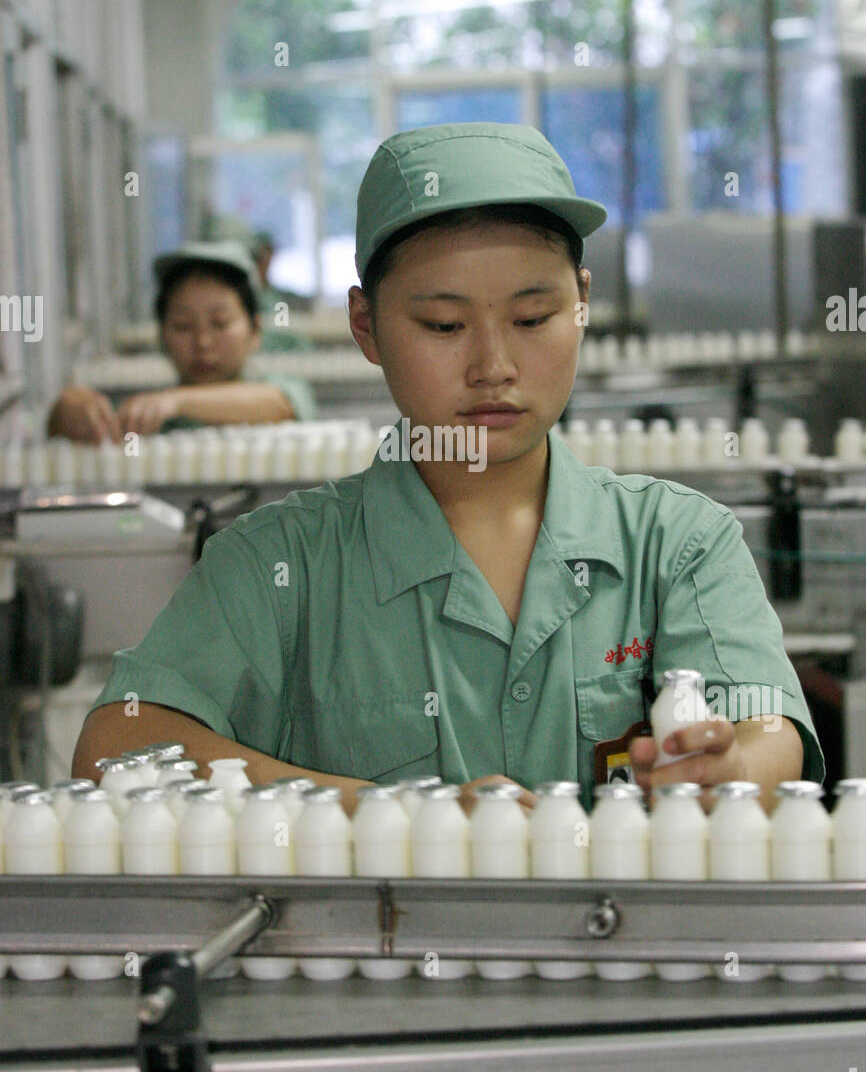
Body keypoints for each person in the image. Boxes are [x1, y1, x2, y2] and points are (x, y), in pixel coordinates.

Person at [74, 123, 823, 817]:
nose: (493, 366)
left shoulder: (677, 541)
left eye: (532, 319)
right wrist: (386, 810)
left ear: (583, 305)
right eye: (443, 325)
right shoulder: (280, 565)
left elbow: (768, 728)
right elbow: (114, 748)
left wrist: (728, 771)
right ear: (366, 326)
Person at [47, 242, 316, 442]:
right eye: (182, 326)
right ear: (161, 336)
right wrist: (68, 408)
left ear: (255, 331)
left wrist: (174, 401)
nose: (202, 342)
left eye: (220, 322)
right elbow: (65, 422)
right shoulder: (147, 421)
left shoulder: (280, 391)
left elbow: (280, 404)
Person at [251, 230, 314, 353]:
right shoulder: (248, 295)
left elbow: (284, 324)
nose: (267, 261)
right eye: (262, 256)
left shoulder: (276, 296)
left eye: (270, 254)